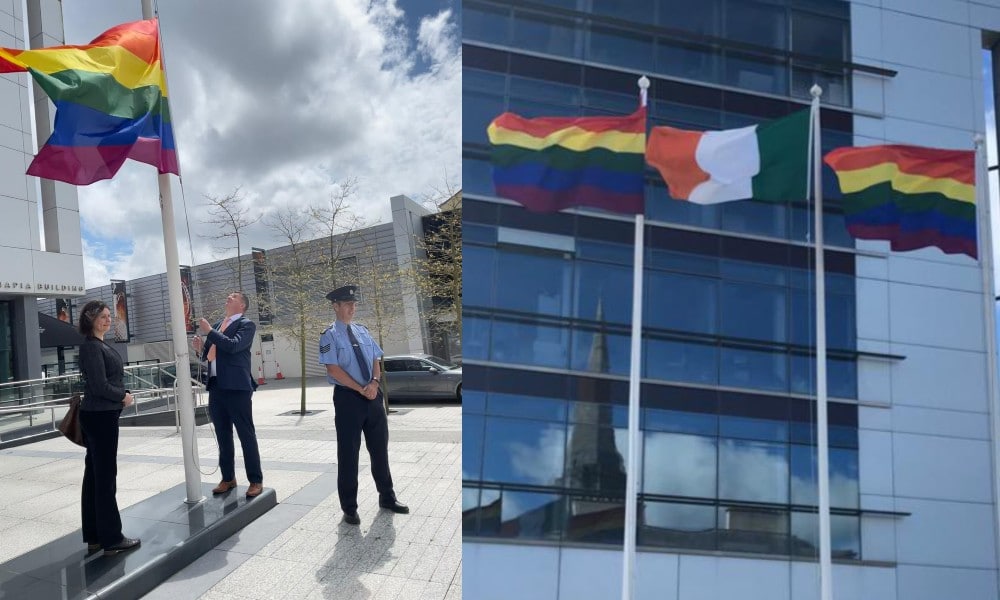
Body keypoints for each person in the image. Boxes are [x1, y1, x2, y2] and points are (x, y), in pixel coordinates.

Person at [319, 285, 408, 525]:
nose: (352, 308)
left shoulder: (363, 331)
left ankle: (387, 498)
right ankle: (349, 508)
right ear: (335, 306)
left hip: (372, 396)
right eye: (347, 304)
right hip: (349, 399)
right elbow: (333, 369)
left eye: (354, 304)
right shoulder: (329, 335)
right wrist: (361, 388)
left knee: (380, 450)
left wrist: (374, 382)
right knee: (348, 454)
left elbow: (375, 358)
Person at [77, 300, 140, 556]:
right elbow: (100, 386)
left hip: (99, 416)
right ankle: (112, 538)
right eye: (102, 316)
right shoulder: (92, 347)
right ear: (90, 319)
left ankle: (95, 536)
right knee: (104, 478)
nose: (107, 320)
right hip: (100, 417)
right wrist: (123, 396)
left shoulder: (99, 345)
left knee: (94, 476)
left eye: (108, 316)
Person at [192, 291, 263, 498]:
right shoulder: (216, 325)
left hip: (237, 388)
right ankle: (228, 478)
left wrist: (209, 332)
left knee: (246, 434)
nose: (228, 298)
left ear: (242, 305)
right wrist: (199, 349)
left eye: (234, 296)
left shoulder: (246, 325)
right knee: (223, 435)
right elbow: (210, 355)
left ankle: (255, 480)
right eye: (229, 296)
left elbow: (233, 346)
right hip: (217, 387)